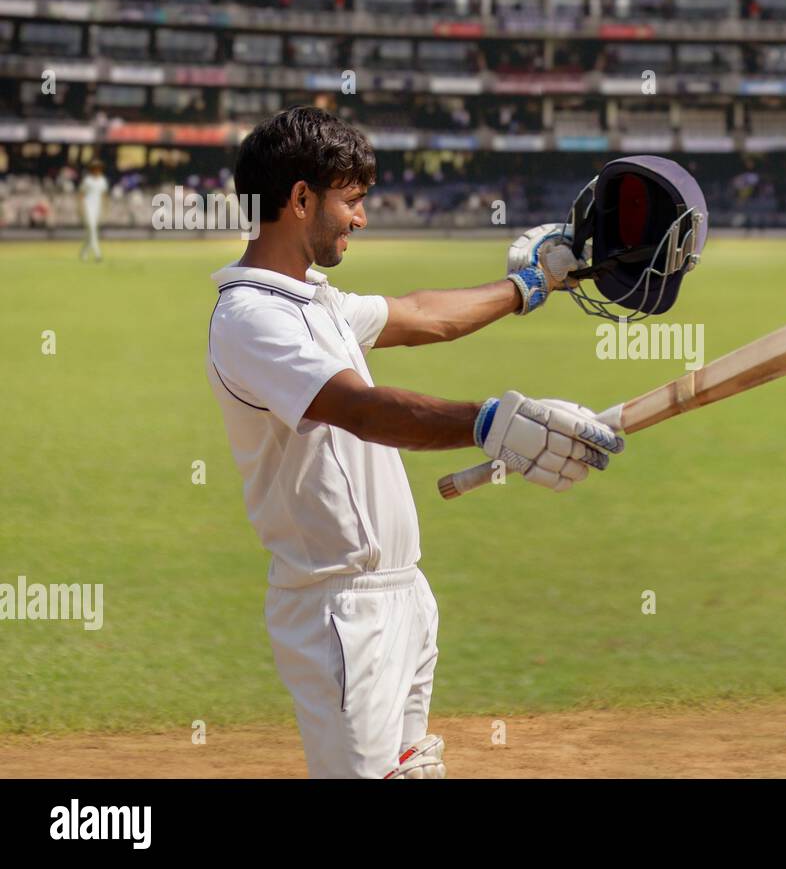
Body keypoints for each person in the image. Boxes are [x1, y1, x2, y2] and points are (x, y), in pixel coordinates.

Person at [205, 107, 623, 779]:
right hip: (338, 610)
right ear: (301, 198)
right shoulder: (251, 318)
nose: (362, 218)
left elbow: (423, 315)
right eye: (353, 200)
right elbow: (360, 411)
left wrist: (532, 284)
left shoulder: (316, 302)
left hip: (401, 593)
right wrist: (490, 423)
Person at [78, 160, 108, 261]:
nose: (97, 170)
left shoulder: (102, 180)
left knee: (90, 232)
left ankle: (83, 253)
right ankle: (98, 254)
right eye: (95, 168)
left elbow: (103, 195)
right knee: (92, 228)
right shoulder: (87, 180)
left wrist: (104, 209)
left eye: (99, 168)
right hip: (88, 206)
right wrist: (80, 208)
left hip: (97, 207)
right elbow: (81, 194)